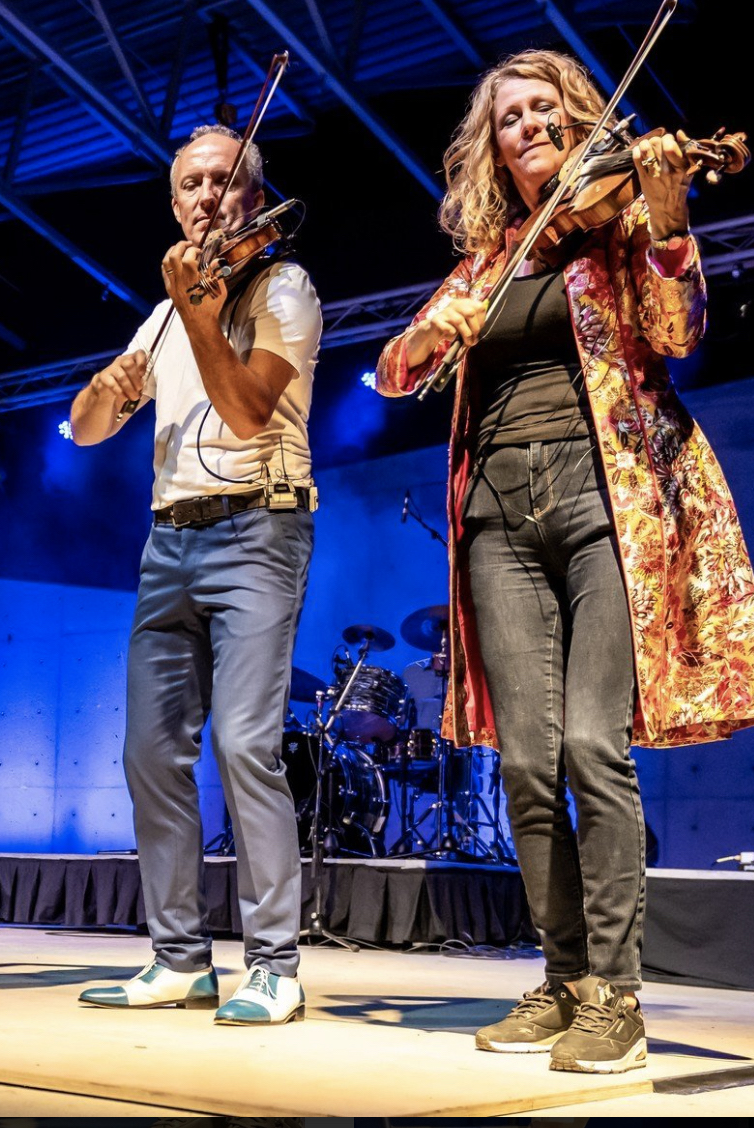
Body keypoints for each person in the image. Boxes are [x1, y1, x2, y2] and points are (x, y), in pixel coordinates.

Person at [376, 49, 754, 1074]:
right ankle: (564, 982)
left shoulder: (621, 219)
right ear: (490, 144)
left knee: (593, 745)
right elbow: (392, 372)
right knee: (527, 764)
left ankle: (619, 1002)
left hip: (599, 501)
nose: (531, 125)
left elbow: (676, 335)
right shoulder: (486, 261)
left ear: (578, 116)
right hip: (496, 515)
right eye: (511, 116)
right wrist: (443, 320)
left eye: (547, 108)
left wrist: (669, 214)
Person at [69, 123, 321, 1024]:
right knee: (148, 752)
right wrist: (108, 387)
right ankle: (178, 958)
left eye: (224, 180)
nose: (207, 195)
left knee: (245, 744)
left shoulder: (280, 285)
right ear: (173, 204)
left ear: (253, 197)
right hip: (166, 541)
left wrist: (202, 311)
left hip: (258, 525)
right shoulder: (168, 310)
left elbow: (249, 410)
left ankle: (274, 965)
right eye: (191, 185)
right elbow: (88, 427)